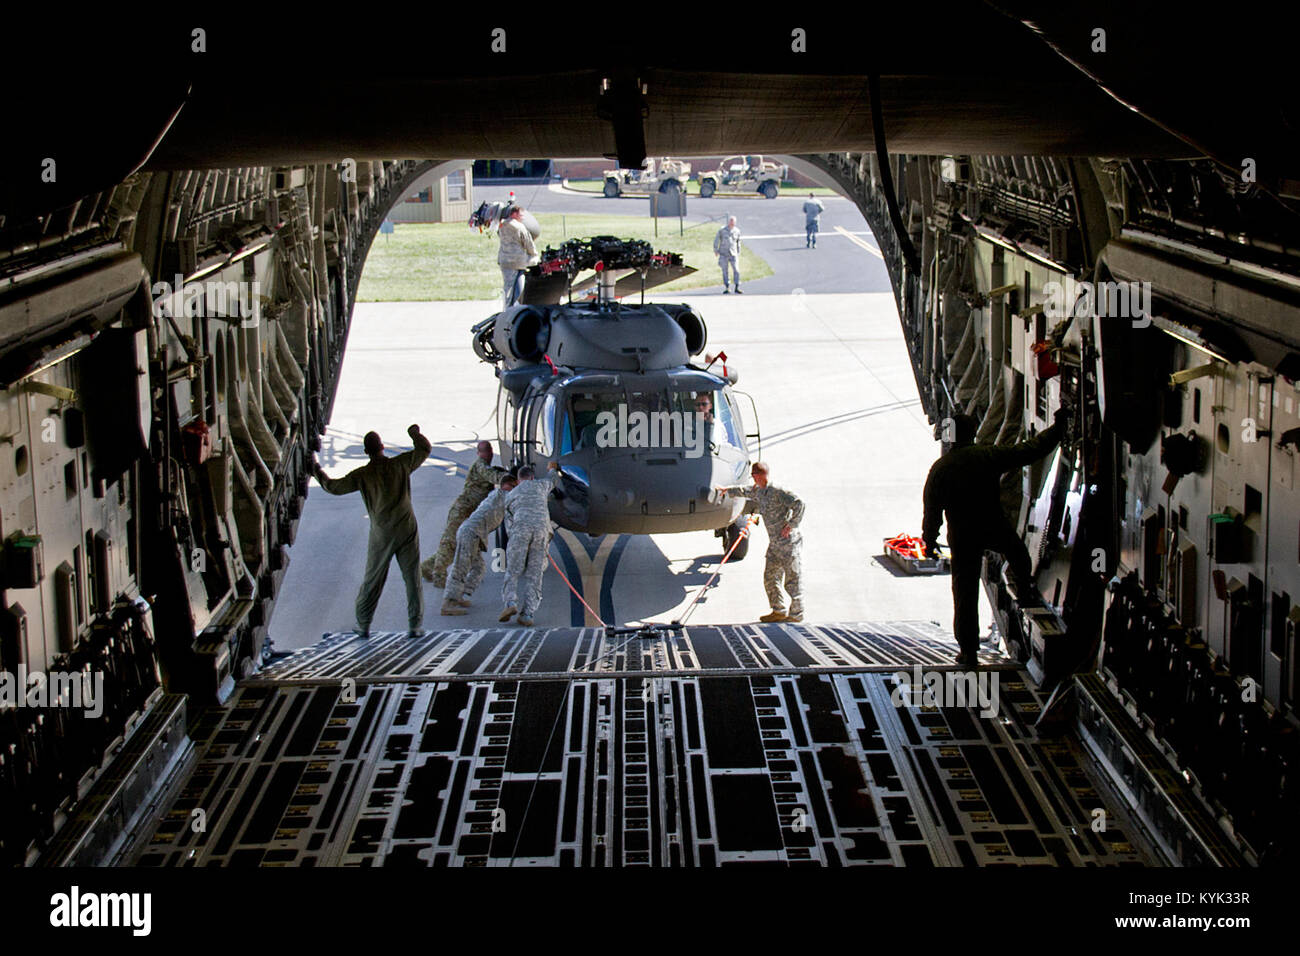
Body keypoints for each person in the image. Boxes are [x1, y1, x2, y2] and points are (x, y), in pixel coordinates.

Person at [922, 409, 1068, 669]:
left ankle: (968, 651)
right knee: (1019, 556)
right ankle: (1024, 593)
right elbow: (1029, 450)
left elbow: (932, 510)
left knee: (964, 592)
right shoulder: (987, 455)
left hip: (962, 536)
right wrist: (1057, 429)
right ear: (973, 433)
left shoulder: (941, 468)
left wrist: (930, 541)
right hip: (992, 526)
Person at [313, 425, 432, 637]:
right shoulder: (401, 464)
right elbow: (424, 449)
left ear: (366, 452)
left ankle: (363, 624)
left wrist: (316, 471)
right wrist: (414, 434)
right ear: (383, 447)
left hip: (382, 533)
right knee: (412, 578)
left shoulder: (363, 474)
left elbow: (333, 487)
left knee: (373, 579)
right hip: (406, 527)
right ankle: (415, 625)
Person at [716, 462, 805, 623]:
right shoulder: (759, 491)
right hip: (775, 545)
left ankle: (796, 614)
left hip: (788, 544)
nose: (753, 479)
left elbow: (799, 503)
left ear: (762, 475)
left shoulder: (778, 491)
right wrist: (726, 490)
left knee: (792, 579)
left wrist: (791, 524)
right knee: (770, 577)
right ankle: (778, 611)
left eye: (755, 475)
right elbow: (745, 490)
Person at [422, 440, 508, 587]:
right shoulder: (481, 465)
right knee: (450, 543)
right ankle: (439, 575)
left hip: (468, 511)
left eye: (490, 451)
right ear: (479, 453)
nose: (489, 454)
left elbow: (494, 472)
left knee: (458, 545)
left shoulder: (486, 466)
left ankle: (426, 567)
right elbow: (493, 476)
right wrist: (508, 479)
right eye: (486, 451)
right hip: (462, 510)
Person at [441, 473, 519, 615]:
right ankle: (449, 603)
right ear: (509, 485)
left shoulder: (497, 495)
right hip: (470, 533)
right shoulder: (503, 496)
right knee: (461, 568)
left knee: (479, 568)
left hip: (473, 534)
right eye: (516, 486)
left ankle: (460, 595)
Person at [500, 462, 561, 626]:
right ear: (532, 477)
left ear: (519, 480)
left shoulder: (511, 494)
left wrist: (515, 541)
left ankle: (510, 603)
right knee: (535, 575)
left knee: (513, 570)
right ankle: (527, 614)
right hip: (541, 531)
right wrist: (552, 468)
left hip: (520, 530)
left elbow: (508, 523)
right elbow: (553, 479)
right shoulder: (541, 486)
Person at [498, 204, 539, 308]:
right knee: (518, 287)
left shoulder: (501, 225)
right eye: (521, 215)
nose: (523, 217)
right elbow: (528, 243)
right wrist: (534, 255)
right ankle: (514, 309)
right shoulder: (520, 227)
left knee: (508, 287)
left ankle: (507, 308)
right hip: (518, 262)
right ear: (514, 214)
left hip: (504, 262)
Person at [713, 216, 743, 294]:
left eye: (733, 221)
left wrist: (738, 251)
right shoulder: (722, 230)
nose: (732, 223)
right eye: (731, 221)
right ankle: (727, 287)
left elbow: (738, 242)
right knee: (725, 271)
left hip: (733, 253)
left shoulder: (737, 231)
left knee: (736, 270)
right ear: (728, 222)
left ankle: (737, 286)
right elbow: (717, 240)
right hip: (724, 253)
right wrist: (716, 250)